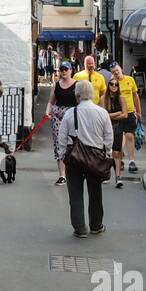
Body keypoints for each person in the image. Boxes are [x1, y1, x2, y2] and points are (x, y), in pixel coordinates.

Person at [58, 79, 115, 237]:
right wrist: (107, 152)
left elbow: (61, 137)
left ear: (77, 95)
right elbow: (108, 136)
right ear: (92, 94)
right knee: (95, 193)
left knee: (75, 195)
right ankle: (96, 225)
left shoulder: (70, 113)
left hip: (75, 157)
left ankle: (80, 228)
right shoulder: (102, 112)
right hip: (95, 157)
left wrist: (63, 154)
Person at [48, 62, 78, 186]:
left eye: (66, 69)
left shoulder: (77, 84)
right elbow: (51, 101)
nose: (64, 71)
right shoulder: (56, 85)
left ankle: (75, 172)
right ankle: (62, 175)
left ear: (71, 70)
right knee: (59, 144)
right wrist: (47, 113)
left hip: (72, 116)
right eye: (62, 69)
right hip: (58, 116)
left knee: (73, 143)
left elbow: (80, 101)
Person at [110, 62, 142, 173]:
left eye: (117, 70)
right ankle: (120, 159)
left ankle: (132, 161)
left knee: (129, 135)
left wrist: (139, 111)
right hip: (118, 114)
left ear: (121, 69)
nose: (116, 73)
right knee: (119, 138)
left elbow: (135, 96)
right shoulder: (113, 84)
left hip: (129, 112)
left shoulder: (130, 80)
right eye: (113, 72)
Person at [103, 73, 128, 188]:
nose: (113, 86)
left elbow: (125, 115)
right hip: (106, 128)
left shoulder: (121, 98)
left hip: (118, 128)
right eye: (111, 84)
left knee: (117, 153)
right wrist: (117, 114)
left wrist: (111, 115)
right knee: (106, 153)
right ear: (108, 85)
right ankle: (106, 174)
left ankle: (118, 177)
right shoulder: (103, 98)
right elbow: (103, 115)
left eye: (116, 85)